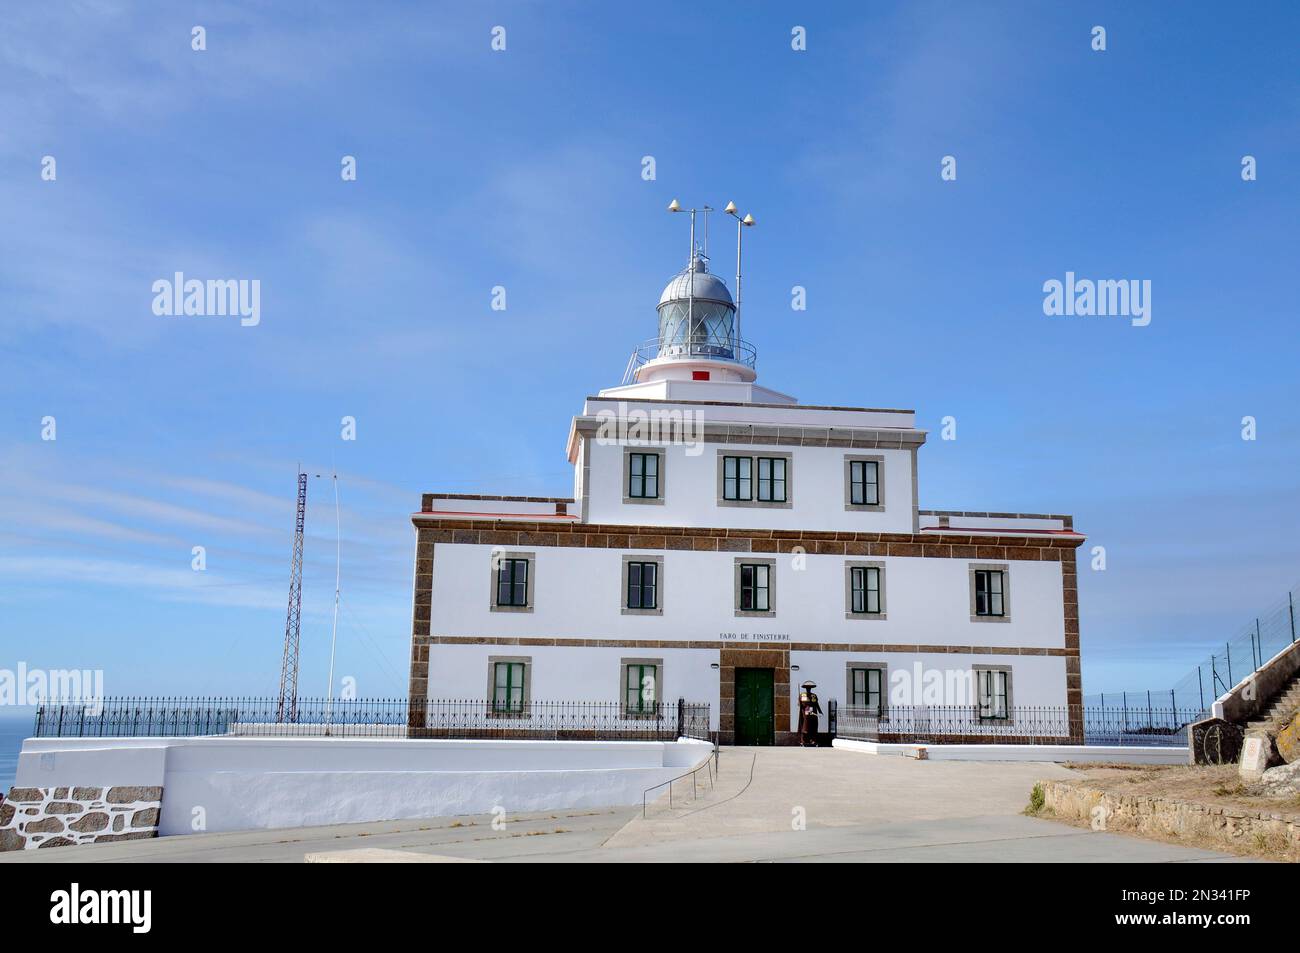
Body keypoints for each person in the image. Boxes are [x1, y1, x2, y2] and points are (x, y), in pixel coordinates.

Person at [798, 681, 822, 747]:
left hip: (813, 713)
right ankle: (804, 741)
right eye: (807, 688)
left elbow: (817, 704)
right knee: (805, 727)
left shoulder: (814, 695)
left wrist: (820, 711)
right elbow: (799, 704)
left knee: (813, 726)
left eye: (809, 688)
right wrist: (800, 704)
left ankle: (813, 740)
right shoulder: (802, 695)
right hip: (805, 713)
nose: (808, 690)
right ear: (805, 689)